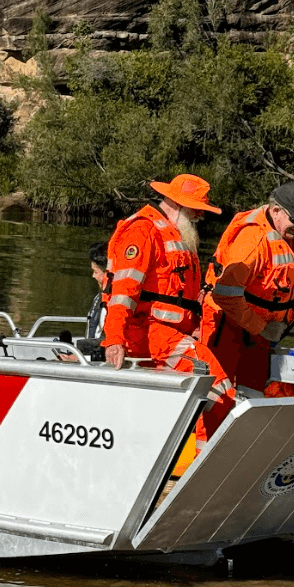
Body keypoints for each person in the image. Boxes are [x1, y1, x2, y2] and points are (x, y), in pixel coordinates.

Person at [102, 173, 235, 446]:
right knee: (217, 387)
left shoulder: (176, 233)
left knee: (208, 388)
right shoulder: (143, 231)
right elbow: (123, 294)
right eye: (196, 210)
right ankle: (200, 469)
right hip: (148, 334)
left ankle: (188, 461)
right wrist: (114, 339)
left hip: (168, 334)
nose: (200, 216)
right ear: (178, 204)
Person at [201, 181, 294, 395]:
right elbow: (225, 294)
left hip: (264, 329)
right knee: (219, 392)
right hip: (227, 323)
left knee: (254, 391)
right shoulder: (252, 239)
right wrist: (261, 327)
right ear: (276, 211)